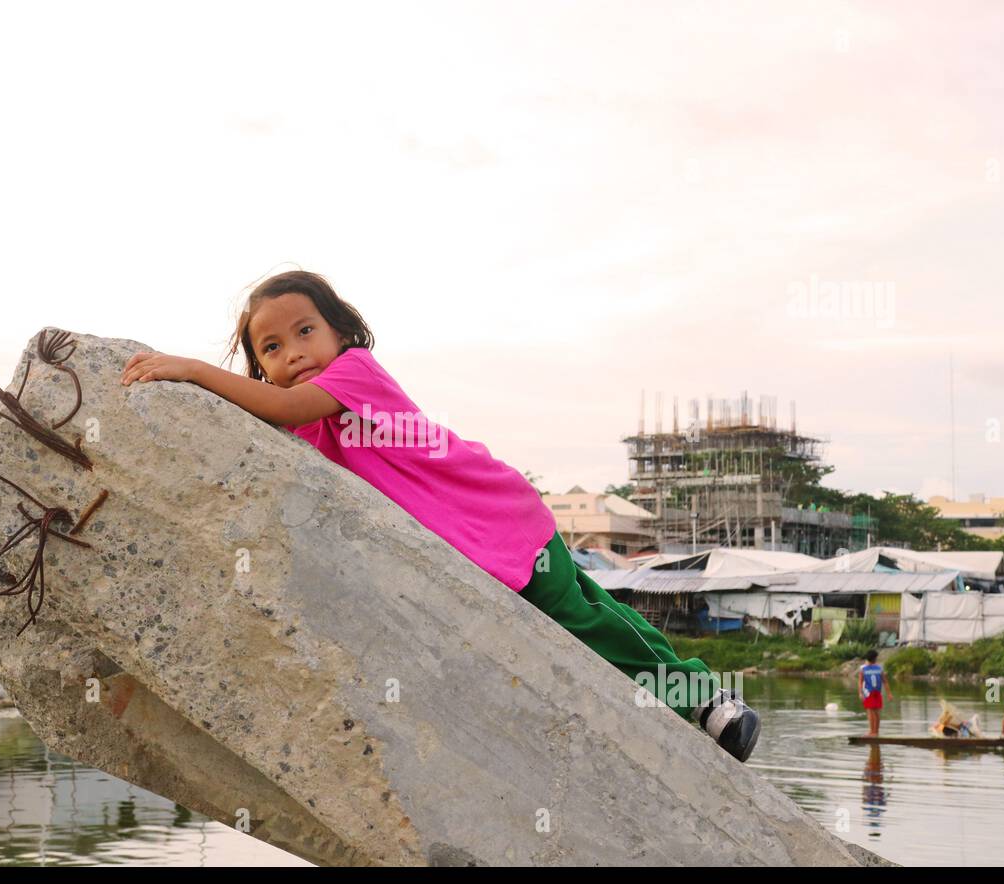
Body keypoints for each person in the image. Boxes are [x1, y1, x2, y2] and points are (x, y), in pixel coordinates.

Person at [119, 269, 760, 761]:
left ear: (341, 331)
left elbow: (279, 409)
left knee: (588, 626)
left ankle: (705, 705)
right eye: (271, 348)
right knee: (598, 615)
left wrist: (195, 371)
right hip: (487, 544)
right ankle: (704, 696)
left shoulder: (353, 375)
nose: (292, 353)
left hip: (497, 522)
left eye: (305, 331)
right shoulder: (313, 429)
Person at [858, 649, 892, 736]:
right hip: (872, 692)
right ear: (874, 658)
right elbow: (861, 682)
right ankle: (874, 732)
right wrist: (889, 694)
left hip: (872, 693)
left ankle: (873, 732)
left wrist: (860, 693)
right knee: (874, 712)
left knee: (872, 712)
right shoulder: (876, 668)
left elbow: (885, 681)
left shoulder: (866, 668)